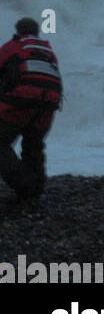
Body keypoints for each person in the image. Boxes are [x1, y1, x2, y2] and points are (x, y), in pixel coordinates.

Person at [0, 18, 61, 201]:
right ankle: (35, 188)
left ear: (18, 31)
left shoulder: (13, 46)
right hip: (48, 105)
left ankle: (24, 184)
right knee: (33, 145)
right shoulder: (48, 51)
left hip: (20, 103)